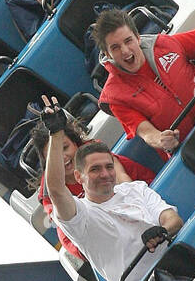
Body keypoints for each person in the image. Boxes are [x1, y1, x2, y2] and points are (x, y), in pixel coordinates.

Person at [42, 105, 183, 281]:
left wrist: (161, 231)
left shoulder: (135, 189)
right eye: (95, 170)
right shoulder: (80, 217)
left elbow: (173, 220)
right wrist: (56, 134)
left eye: (109, 166)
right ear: (79, 177)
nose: (105, 174)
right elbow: (57, 191)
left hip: (177, 260)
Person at [93, 7, 195, 161]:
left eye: (128, 41)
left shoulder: (164, 44)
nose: (125, 51)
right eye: (115, 47)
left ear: (138, 38)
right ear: (108, 54)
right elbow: (146, 133)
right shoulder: (115, 97)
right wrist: (161, 139)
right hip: (192, 149)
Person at [30, 96, 157, 259]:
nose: (63, 157)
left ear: (76, 143)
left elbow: (124, 181)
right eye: (54, 154)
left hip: (146, 200)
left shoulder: (92, 150)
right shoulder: (50, 193)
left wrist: (139, 219)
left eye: (65, 147)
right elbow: (73, 242)